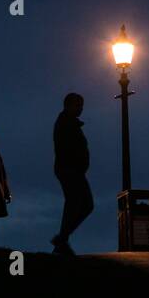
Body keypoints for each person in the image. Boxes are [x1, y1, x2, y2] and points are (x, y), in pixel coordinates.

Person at [51, 93, 92, 255]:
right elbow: (66, 148)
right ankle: (62, 239)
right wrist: (77, 165)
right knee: (82, 203)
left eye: (81, 105)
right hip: (70, 169)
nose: (81, 109)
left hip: (73, 169)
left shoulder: (69, 123)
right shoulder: (65, 123)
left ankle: (62, 240)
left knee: (76, 204)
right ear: (68, 105)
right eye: (78, 105)